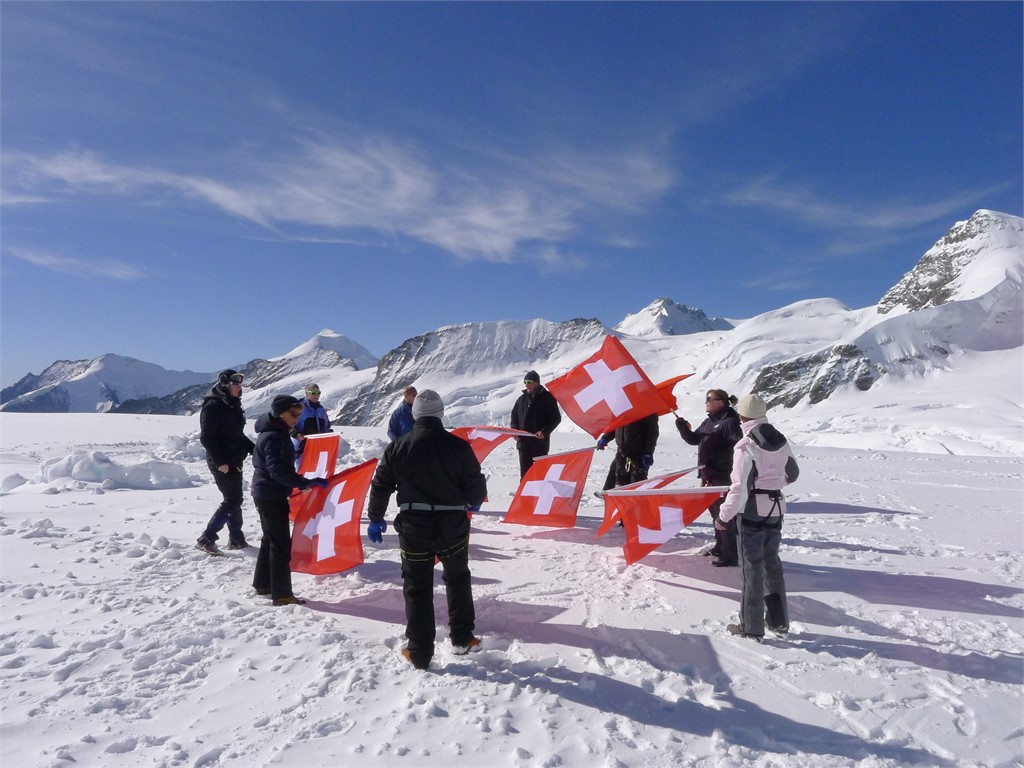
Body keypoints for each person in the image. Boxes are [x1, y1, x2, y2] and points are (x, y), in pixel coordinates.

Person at [366, 389, 488, 670]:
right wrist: (475, 501)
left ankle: (419, 652)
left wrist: (375, 517)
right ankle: (462, 638)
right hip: (452, 527)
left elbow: (381, 485)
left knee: (417, 587)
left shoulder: (399, 446)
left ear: (415, 414)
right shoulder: (458, 446)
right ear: (441, 414)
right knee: (457, 578)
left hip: (414, 527)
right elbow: (475, 485)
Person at [717, 393, 800, 640]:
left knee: (751, 569)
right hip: (776, 508)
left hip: (752, 510)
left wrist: (723, 517)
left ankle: (751, 626)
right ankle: (779, 622)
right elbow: (793, 472)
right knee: (772, 565)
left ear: (741, 415)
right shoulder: (781, 440)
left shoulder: (746, 445)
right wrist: (775, 482)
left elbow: (739, 488)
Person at [251, 395, 328, 606]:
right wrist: (304, 482)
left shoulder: (276, 431)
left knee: (270, 539)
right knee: (281, 544)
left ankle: (263, 584)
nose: (296, 418)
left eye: (299, 414)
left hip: (267, 492)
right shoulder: (274, 436)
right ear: (280, 413)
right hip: (271, 494)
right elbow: (277, 471)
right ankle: (282, 594)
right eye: (293, 414)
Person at [676, 389, 743, 567]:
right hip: (708, 476)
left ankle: (731, 555)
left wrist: (721, 461)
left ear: (720, 402)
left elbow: (738, 447)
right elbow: (694, 439)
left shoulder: (729, 422)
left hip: (722, 477)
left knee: (725, 515)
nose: (706, 402)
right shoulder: (709, 421)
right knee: (715, 513)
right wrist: (682, 427)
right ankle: (720, 546)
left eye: (709, 399)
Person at [196, 369, 255, 555]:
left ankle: (237, 539)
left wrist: (255, 450)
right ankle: (207, 538)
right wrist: (220, 461)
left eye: (239, 384)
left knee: (235, 499)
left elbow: (237, 434)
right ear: (225, 385)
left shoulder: (232, 405)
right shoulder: (213, 405)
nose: (239, 387)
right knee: (233, 500)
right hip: (222, 462)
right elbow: (206, 437)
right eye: (235, 384)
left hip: (234, 459)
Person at [509, 370, 562, 478]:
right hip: (523, 444)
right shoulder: (521, 399)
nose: (526, 385)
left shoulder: (547, 398)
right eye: (525, 382)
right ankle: (525, 495)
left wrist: (544, 432)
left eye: (529, 382)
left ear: (537, 382)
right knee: (525, 475)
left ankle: (541, 494)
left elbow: (556, 418)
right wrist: (514, 430)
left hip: (539, 444)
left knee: (541, 474)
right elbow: (514, 416)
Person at [597, 413, 660, 490]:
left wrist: (648, 453)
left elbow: (652, 433)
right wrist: (605, 438)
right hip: (622, 453)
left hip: (639, 454)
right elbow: (615, 426)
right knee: (621, 483)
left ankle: (638, 501)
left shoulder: (647, 408)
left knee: (637, 485)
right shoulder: (623, 408)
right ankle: (613, 496)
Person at [291, 383, 332, 462]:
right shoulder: (299, 407)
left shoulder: (321, 409)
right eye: (313, 393)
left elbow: (326, 427)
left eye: (318, 393)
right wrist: (296, 434)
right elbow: (289, 425)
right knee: (302, 473)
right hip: (302, 449)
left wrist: (330, 436)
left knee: (318, 473)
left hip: (318, 448)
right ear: (306, 393)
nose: (316, 395)